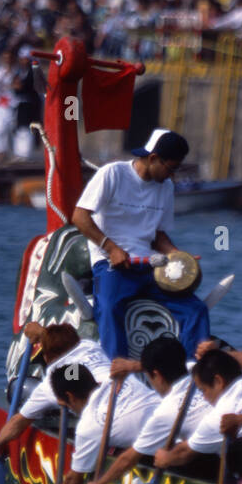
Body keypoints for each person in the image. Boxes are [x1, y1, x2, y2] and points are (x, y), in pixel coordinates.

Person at [71, 128, 211, 360]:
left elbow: (158, 236)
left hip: (149, 266)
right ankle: (118, 375)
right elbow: (79, 217)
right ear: (154, 158)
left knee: (196, 310)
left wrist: (177, 256)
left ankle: (191, 373)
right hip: (112, 266)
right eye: (171, 168)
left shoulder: (165, 187)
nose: (172, 175)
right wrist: (112, 248)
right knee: (108, 307)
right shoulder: (112, 173)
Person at [83, 337, 211, 484]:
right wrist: (132, 366)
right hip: (234, 451)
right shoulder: (198, 371)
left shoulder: (166, 412)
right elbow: (168, 362)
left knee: (152, 454)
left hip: (215, 472)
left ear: (156, 375)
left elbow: (128, 459)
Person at [45, 365, 159, 484]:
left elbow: (75, 479)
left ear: (70, 397)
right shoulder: (121, 378)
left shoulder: (88, 427)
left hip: (177, 449)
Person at [0, 322, 111, 463]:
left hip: (108, 420)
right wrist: (41, 332)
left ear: (47, 358)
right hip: (135, 396)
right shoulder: (90, 346)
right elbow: (66, 341)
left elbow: (18, 422)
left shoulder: (53, 383)